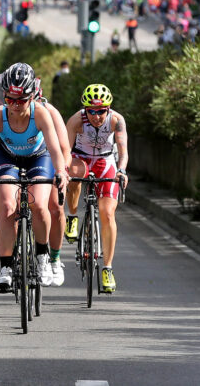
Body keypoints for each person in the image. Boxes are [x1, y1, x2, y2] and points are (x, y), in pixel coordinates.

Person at [0, 63, 69, 293]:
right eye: (10, 100)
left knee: (38, 204)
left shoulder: (41, 113)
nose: (16, 106)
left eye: (21, 100)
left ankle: (42, 257)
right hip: (7, 157)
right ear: (4, 96)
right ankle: (6, 267)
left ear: (32, 97)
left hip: (39, 158)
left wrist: (60, 172)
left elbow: (55, 149)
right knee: (8, 205)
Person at [65, 84, 128, 293]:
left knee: (107, 213)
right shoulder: (76, 120)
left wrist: (122, 170)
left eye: (101, 111)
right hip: (81, 158)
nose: (96, 116)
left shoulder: (116, 121)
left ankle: (107, 268)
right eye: (91, 111)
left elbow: (123, 150)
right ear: (85, 110)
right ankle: (72, 217)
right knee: (73, 175)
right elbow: (66, 151)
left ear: (108, 109)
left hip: (105, 161)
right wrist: (63, 171)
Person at [31, 77, 71, 286]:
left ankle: (54, 259)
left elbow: (64, 148)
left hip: (49, 160)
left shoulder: (50, 112)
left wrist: (62, 171)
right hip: (22, 161)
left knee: (55, 207)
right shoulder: (11, 110)